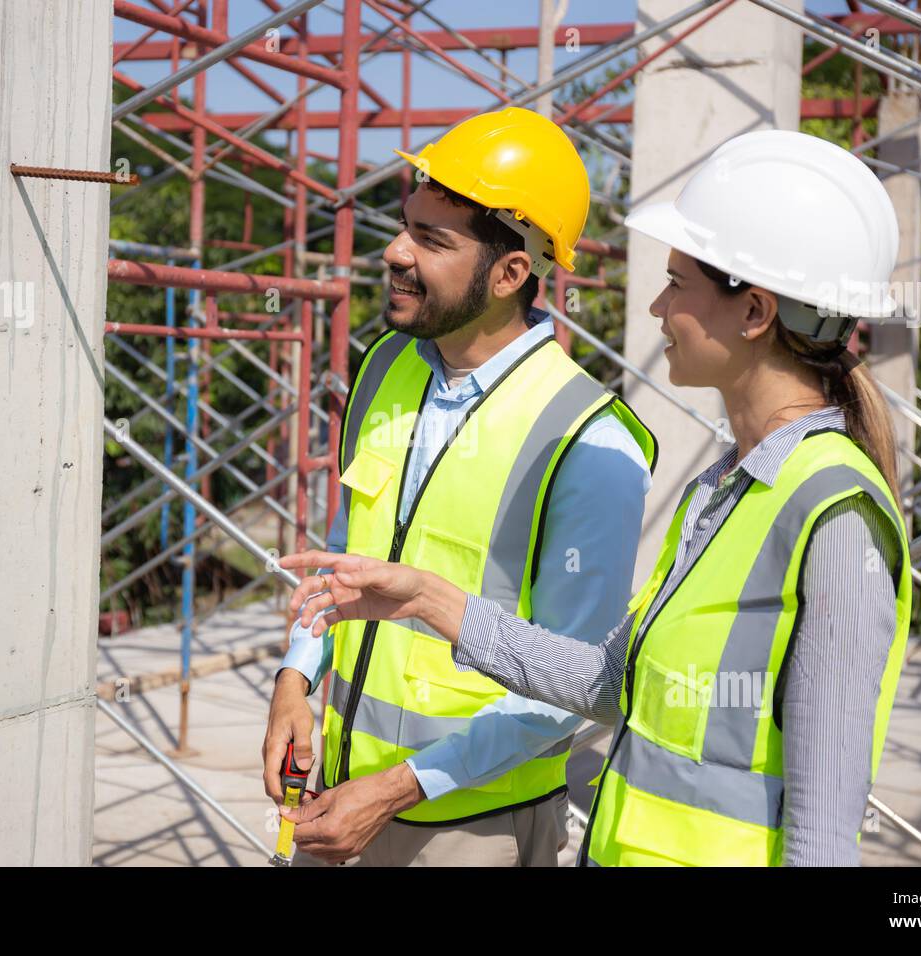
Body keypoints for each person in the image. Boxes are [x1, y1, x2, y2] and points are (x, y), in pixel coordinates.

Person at [278, 129, 914, 867]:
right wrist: (419, 602)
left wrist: (398, 785)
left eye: (677, 282)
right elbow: (610, 681)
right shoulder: (726, 487)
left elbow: (823, 837)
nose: (653, 306)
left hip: (473, 823)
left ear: (754, 313)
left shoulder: (832, 513)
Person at [262, 106, 658, 866]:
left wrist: (398, 788)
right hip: (337, 794)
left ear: (511, 274)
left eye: (430, 240)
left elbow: (578, 683)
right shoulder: (385, 364)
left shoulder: (587, 439)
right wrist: (294, 677)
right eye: (405, 223)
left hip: (471, 830)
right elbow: (349, 557)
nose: (393, 252)